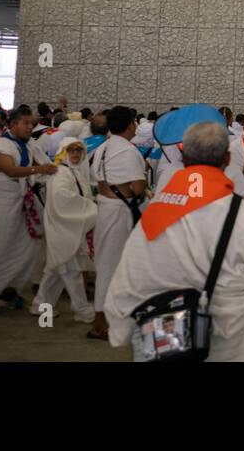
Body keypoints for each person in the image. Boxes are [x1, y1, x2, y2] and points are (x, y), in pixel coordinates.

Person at [104, 123, 244, 361]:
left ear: (183, 158)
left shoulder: (154, 211)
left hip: (164, 337)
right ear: (226, 159)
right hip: (229, 341)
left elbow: (131, 275)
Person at [0, 108, 54, 319]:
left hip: (22, 201)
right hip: (1, 202)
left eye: (32, 123)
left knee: (26, 245)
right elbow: (10, 170)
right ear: (13, 125)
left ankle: (9, 287)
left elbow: (44, 165)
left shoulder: (29, 145)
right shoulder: (1, 145)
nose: (31, 127)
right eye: (26, 123)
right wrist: (40, 170)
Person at [87, 105, 146, 340]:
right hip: (119, 210)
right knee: (110, 265)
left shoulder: (104, 147)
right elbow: (138, 187)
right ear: (130, 124)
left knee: (107, 262)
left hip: (105, 206)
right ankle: (100, 322)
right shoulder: (128, 151)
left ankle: (109, 315)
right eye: (134, 121)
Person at [32, 138, 97, 324]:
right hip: (62, 227)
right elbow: (62, 198)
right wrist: (91, 208)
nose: (76, 153)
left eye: (79, 150)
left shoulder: (73, 172)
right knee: (71, 269)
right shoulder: (61, 172)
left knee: (56, 269)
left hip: (67, 227)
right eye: (71, 150)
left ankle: (40, 304)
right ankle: (82, 309)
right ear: (63, 152)